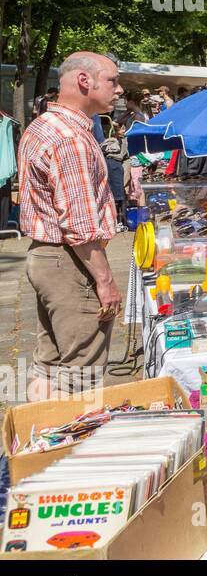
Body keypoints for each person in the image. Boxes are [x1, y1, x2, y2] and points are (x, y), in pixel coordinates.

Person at [17, 52, 123, 400]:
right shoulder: (71, 138)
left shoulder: (45, 125)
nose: (119, 90)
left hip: (47, 257)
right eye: (112, 80)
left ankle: (36, 447)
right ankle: (71, 444)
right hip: (69, 261)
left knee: (49, 364)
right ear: (84, 81)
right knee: (82, 374)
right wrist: (104, 280)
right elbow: (78, 224)